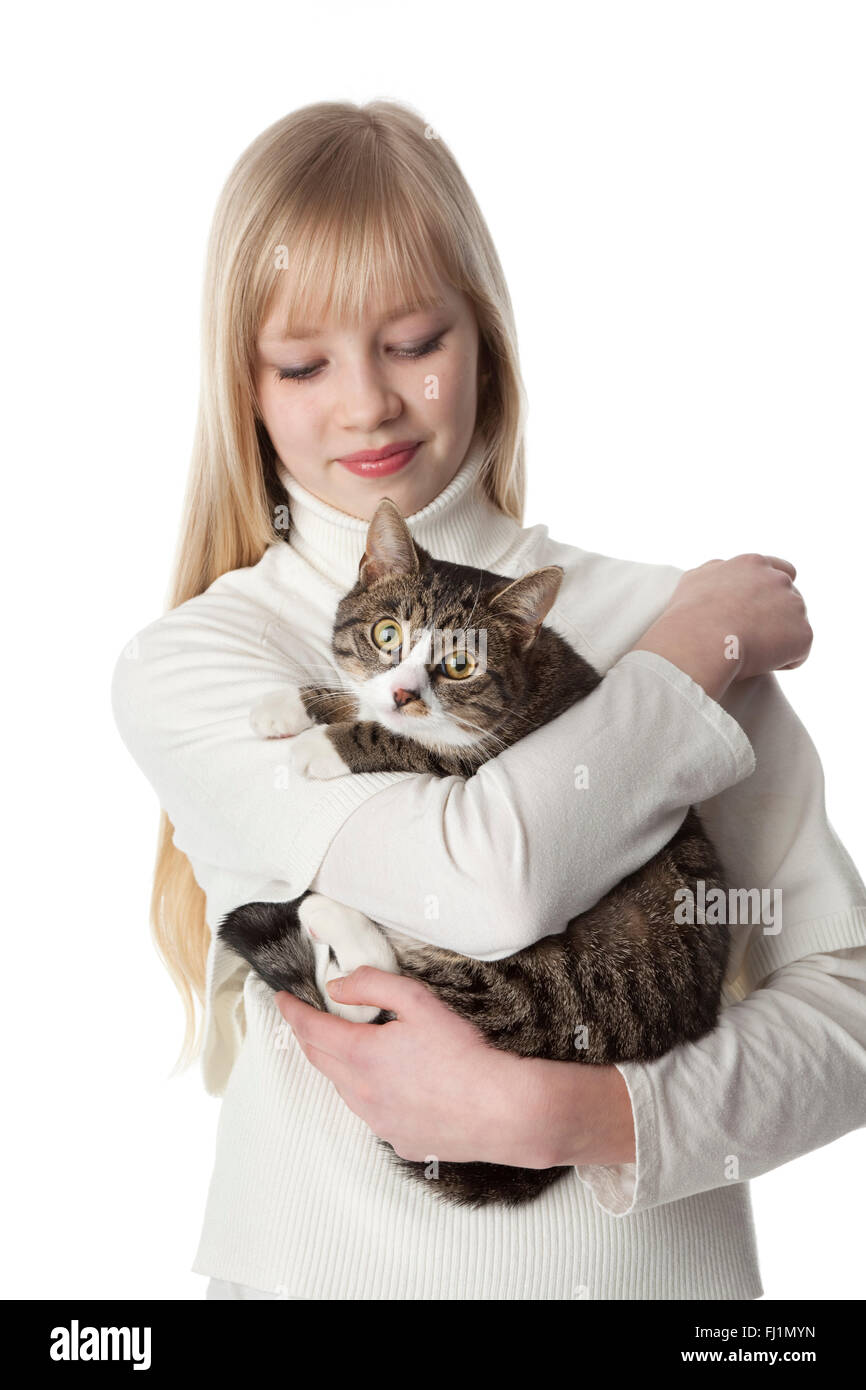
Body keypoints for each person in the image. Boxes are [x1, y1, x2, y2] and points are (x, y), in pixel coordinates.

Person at [110, 99, 866, 1301]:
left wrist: (585, 1116)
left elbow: (847, 1017)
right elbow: (481, 883)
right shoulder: (207, 662)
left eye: (414, 339)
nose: (365, 404)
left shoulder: (653, 610)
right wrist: (675, 669)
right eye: (303, 363)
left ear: (486, 342)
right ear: (241, 385)